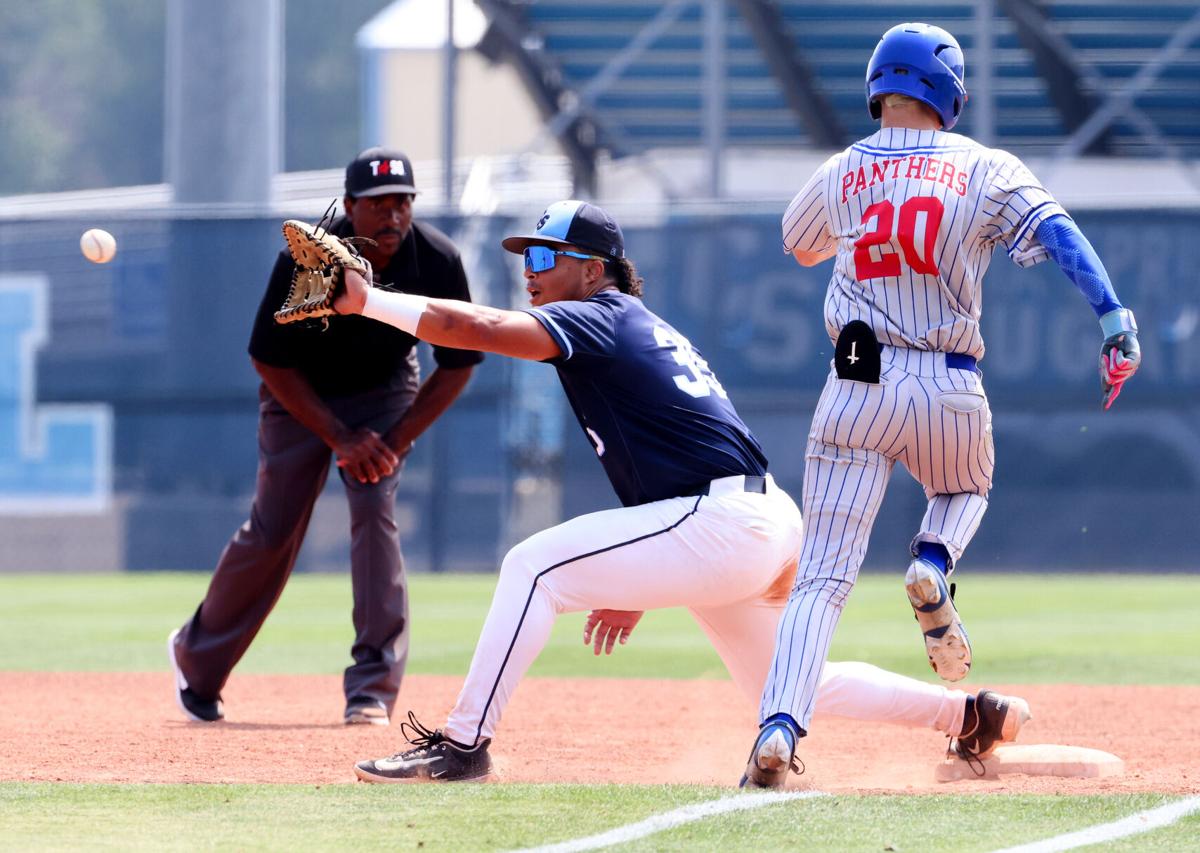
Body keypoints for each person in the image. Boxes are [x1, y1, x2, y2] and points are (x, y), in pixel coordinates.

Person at [322, 199, 1029, 784]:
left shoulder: (596, 316)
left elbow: (470, 328)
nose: (529, 273)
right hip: (757, 518)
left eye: (544, 257)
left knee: (530, 566)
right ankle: (968, 713)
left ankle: (464, 744)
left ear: (591, 270)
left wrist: (366, 300)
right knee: (780, 687)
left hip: (723, 521)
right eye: (525, 258)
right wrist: (641, 578)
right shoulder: (636, 324)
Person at [743, 22, 1141, 787]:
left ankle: (778, 731)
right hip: (947, 377)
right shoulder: (985, 166)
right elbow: (1056, 232)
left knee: (822, 578)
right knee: (965, 487)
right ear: (951, 94)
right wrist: (1112, 314)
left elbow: (798, 243)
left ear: (876, 86)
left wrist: (867, 222)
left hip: (854, 377)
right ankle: (931, 562)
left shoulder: (841, 169)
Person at [167, 147, 484, 726]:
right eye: (377, 204)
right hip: (302, 393)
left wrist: (395, 440)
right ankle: (198, 660)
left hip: (386, 390)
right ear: (351, 207)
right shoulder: (311, 258)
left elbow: (459, 363)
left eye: (402, 203)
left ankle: (371, 688)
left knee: (374, 510)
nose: (391, 216)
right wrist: (339, 437)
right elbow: (269, 361)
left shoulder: (436, 259)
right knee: (274, 529)